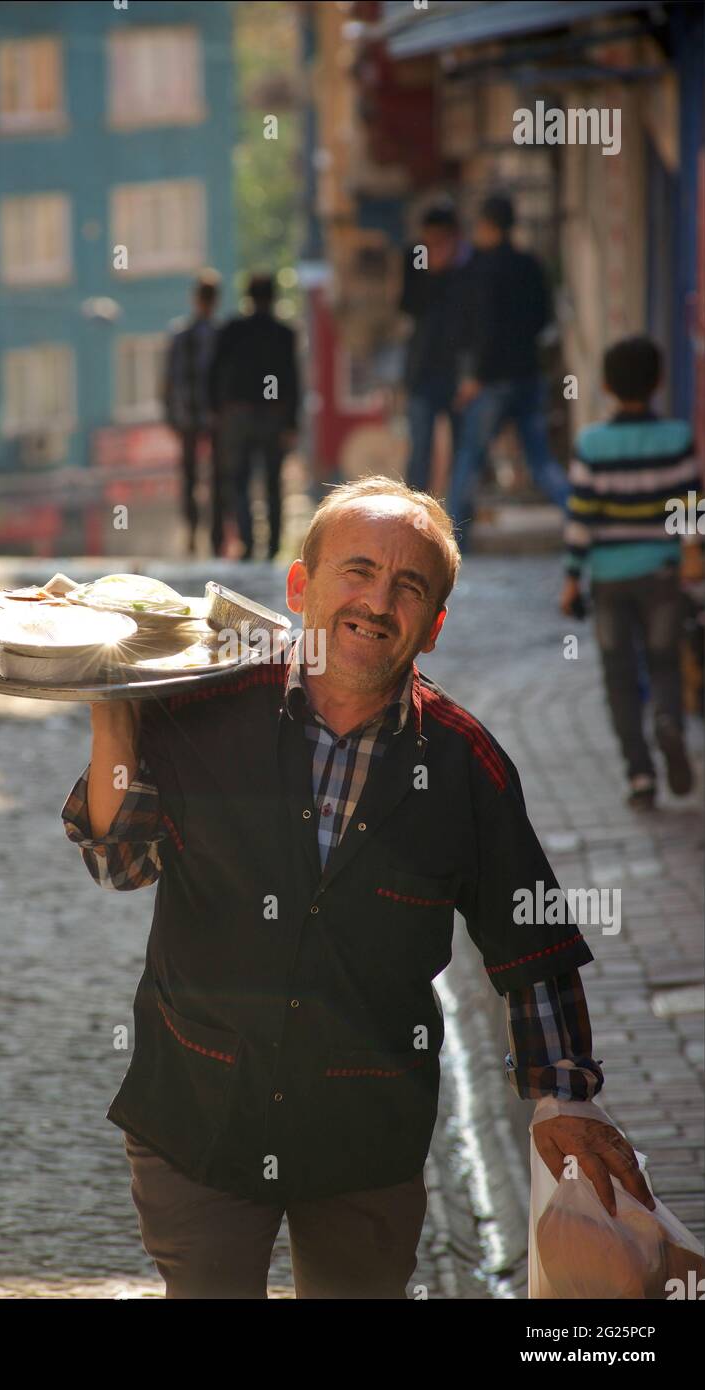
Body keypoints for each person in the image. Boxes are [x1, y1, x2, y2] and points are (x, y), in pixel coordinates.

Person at [62, 475, 655, 1300]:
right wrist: (113, 705)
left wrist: (563, 1099)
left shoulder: (463, 764)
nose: (377, 602)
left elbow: (531, 938)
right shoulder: (203, 703)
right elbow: (117, 862)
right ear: (301, 586)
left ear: (434, 626)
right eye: (358, 570)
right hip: (196, 1110)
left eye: (408, 586)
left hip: (365, 1140)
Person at [560, 336, 700, 810]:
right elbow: (692, 508)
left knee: (618, 675)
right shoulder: (678, 438)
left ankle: (640, 774)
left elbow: (582, 517)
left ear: (604, 385)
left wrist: (572, 577)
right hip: (662, 574)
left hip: (609, 579)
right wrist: (693, 553)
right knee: (664, 663)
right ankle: (668, 723)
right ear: (659, 381)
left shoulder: (592, 445)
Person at [448, 194, 570, 548]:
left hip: (491, 381)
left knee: (470, 458)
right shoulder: (530, 265)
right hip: (529, 375)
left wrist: (474, 376)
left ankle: (453, 541)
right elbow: (544, 320)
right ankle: (581, 521)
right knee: (541, 460)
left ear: (486, 226)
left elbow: (483, 328)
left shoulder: (479, 269)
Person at [208, 272, 299, 561]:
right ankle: (272, 545)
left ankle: (247, 542)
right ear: (273, 298)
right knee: (272, 482)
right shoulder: (284, 334)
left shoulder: (233, 329)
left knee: (240, 481)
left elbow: (214, 372)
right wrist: (292, 422)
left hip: (238, 416)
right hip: (274, 416)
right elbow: (293, 380)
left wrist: (217, 410)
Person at [399, 203, 471, 491]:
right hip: (422, 370)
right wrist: (431, 273)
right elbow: (408, 304)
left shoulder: (469, 264)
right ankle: (414, 517)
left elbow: (472, 314)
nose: (434, 245)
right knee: (420, 451)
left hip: (459, 372)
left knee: (465, 451)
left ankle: (459, 518)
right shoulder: (416, 257)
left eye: (441, 239)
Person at [162, 272, 225, 557]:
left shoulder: (181, 335)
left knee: (192, 476)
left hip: (189, 414)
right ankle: (215, 535)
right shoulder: (220, 336)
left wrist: (170, 414)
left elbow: (168, 380)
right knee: (216, 476)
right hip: (213, 416)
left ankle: (195, 532)